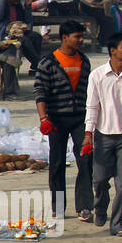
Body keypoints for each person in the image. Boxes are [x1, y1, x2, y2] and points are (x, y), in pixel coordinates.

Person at [83, 31, 122, 237]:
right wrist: (88, 133)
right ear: (112, 51)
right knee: (99, 181)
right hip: (103, 136)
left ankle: (117, 222)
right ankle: (100, 207)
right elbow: (92, 106)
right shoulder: (97, 75)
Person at [35, 20, 93, 223]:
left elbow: (89, 93)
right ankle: (57, 207)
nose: (80, 40)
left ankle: (84, 206)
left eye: (81, 36)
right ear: (64, 38)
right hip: (56, 119)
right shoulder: (48, 63)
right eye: (77, 36)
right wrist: (44, 119)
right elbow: (40, 93)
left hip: (80, 118)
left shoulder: (84, 61)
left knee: (85, 159)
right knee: (57, 163)